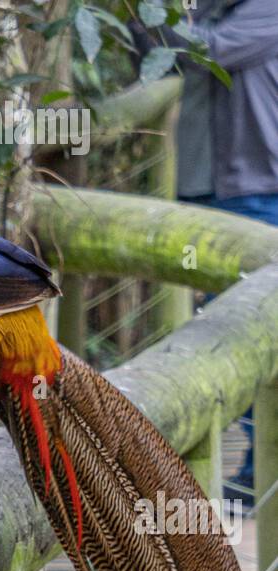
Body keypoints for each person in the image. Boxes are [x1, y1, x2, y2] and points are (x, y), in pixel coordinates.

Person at [173, 0, 278, 499]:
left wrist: (143, 13)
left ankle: (258, 475)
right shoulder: (219, 8)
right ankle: (251, 471)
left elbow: (205, 49)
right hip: (219, 187)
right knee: (220, 322)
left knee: (249, 327)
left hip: (260, 191)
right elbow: (162, 54)